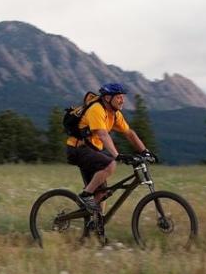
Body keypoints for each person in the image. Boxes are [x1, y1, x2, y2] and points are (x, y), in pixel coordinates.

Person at [65, 82, 152, 213]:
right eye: (118, 97)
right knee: (110, 165)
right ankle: (86, 195)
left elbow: (129, 133)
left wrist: (145, 151)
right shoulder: (96, 109)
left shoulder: (114, 114)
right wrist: (117, 155)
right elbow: (102, 134)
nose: (122, 100)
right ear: (107, 98)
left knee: (101, 193)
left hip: (92, 150)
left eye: (123, 97)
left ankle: (95, 229)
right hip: (78, 149)